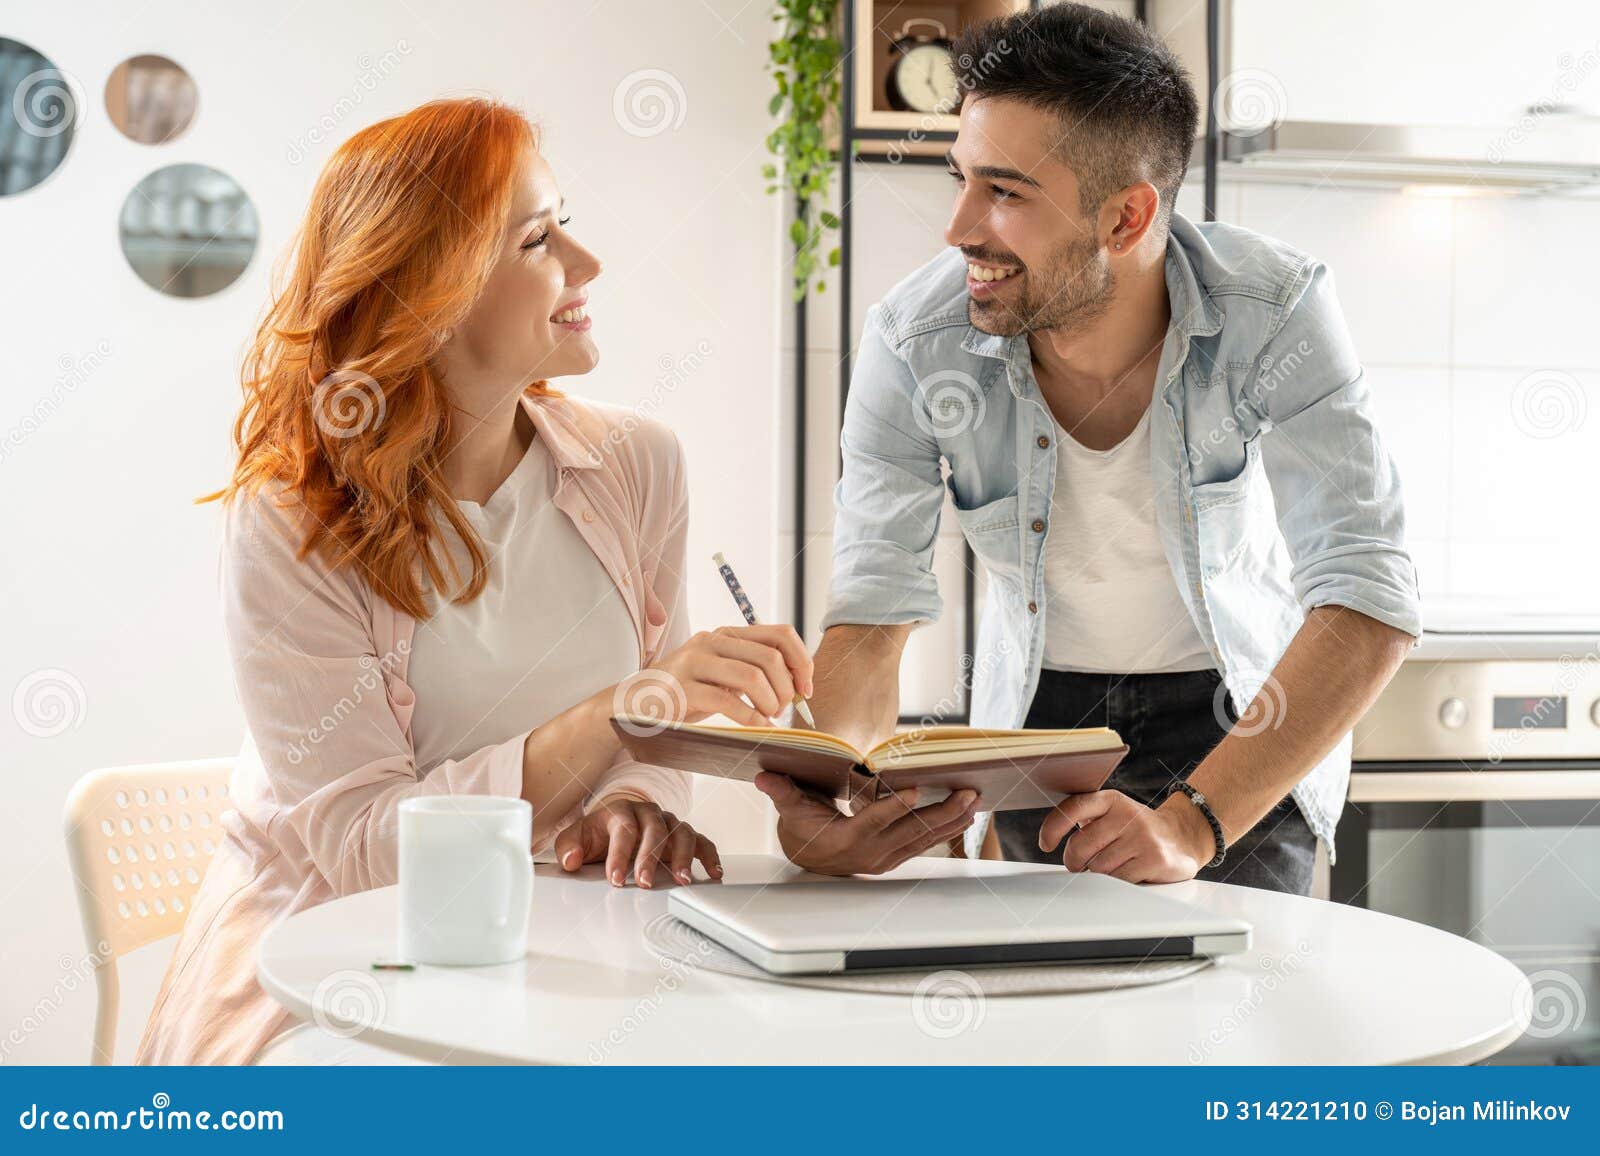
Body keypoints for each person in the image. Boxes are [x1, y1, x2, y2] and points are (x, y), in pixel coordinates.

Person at [137, 97, 811, 1065]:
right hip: (329, 971)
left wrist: (632, 794)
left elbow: (654, 751)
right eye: (539, 240)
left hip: (565, 949)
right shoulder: (293, 521)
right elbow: (367, 850)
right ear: (430, 299)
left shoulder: (638, 464)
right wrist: (611, 716)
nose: (586, 265)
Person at [756, 2, 1418, 894]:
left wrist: (1190, 824)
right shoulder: (915, 343)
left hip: (1240, 723)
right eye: (960, 178)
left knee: (1237, 1023)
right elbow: (874, 608)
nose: (957, 228)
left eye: (1004, 191)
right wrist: (844, 794)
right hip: (1040, 722)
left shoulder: (1277, 310)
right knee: (1049, 1019)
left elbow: (1367, 593)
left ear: (1125, 217)